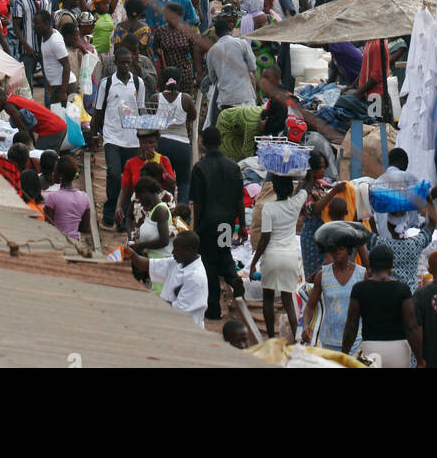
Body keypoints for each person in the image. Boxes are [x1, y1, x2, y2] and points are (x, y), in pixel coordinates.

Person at [190, 124, 247, 320]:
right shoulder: (233, 166)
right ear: (221, 142)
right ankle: (232, 276)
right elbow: (239, 198)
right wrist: (243, 226)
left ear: (203, 144)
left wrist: (195, 227)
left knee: (209, 265)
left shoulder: (199, 168)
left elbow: (197, 202)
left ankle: (213, 308)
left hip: (207, 224)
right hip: (226, 223)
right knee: (224, 252)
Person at [90, 45, 147, 228]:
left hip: (132, 139)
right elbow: (98, 111)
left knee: (129, 180)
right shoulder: (107, 84)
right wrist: (93, 136)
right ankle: (109, 212)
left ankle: (122, 218)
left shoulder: (138, 83)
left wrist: (144, 137)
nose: (125, 66)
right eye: (122, 63)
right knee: (114, 174)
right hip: (112, 137)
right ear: (115, 63)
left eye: (128, 63)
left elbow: (141, 110)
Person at [341, 242, 423, 368]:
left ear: (371, 265)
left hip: (370, 350)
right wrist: (419, 360)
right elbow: (411, 327)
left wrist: (343, 355)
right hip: (398, 351)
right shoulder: (402, 289)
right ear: (391, 266)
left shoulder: (359, 289)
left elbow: (351, 326)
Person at [248, 174, 307, 340]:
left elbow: (265, 238)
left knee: (268, 298)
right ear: (291, 190)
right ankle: (296, 340)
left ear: (274, 189)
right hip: (290, 258)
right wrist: (308, 175)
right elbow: (306, 188)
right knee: (288, 300)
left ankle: (272, 339)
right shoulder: (295, 203)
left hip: (272, 257)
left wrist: (253, 263)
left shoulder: (268, 208)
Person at [124, 231, 209, 329]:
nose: (172, 252)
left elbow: (178, 311)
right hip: (169, 322)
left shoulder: (195, 278)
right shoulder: (177, 262)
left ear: (188, 250)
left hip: (185, 328)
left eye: (175, 249)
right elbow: (148, 265)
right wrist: (131, 255)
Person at [301, 237, 366, 353]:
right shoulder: (322, 275)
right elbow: (310, 306)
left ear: (349, 250)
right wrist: (306, 325)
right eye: (333, 249)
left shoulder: (361, 274)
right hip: (328, 341)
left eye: (341, 249)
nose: (337, 252)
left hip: (356, 342)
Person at [114, 129, 176, 228]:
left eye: (151, 142)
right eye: (144, 143)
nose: (148, 146)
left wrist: (161, 168)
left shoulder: (163, 160)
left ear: (156, 144)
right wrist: (118, 207)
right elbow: (124, 188)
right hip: (139, 206)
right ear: (139, 144)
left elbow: (173, 184)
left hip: (159, 205)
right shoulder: (131, 163)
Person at [155, 67, 196, 205]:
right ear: (179, 81)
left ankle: (167, 209)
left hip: (161, 144)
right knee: (184, 181)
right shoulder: (185, 98)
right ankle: (183, 215)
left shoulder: (156, 98)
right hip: (181, 144)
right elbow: (193, 116)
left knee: (165, 179)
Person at [206, 15, 258, 114]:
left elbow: (213, 78)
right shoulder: (242, 43)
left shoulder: (212, 51)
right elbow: (252, 67)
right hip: (245, 97)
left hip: (226, 100)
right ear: (229, 30)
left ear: (216, 33)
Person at [42, 156, 92, 243]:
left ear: (60, 176)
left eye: (55, 171)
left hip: (56, 243)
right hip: (75, 244)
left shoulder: (53, 197)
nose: (53, 173)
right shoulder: (84, 197)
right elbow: (85, 228)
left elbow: (48, 226)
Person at [33, 10, 72, 106]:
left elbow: (66, 66)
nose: (34, 26)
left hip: (63, 86)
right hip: (55, 85)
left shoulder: (55, 41)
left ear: (46, 23)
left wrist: (63, 92)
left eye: (36, 23)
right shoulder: (44, 37)